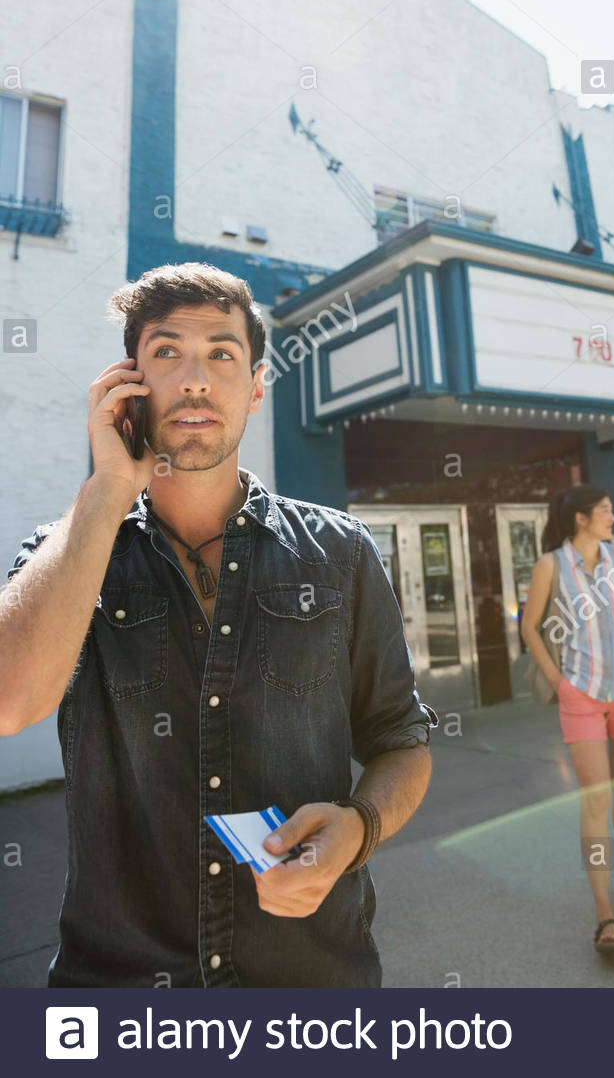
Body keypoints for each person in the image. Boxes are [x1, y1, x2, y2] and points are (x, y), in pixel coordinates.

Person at [0, 262, 437, 987]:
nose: (195, 379)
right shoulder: (68, 552)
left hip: (313, 985)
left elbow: (403, 741)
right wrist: (108, 491)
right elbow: (11, 700)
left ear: (257, 387)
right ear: (127, 386)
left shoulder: (341, 553)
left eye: (221, 354)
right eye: (167, 352)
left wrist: (358, 828)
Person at [521, 484, 614, 955]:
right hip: (581, 695)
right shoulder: (551, 564)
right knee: (596, 801)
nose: (612, 516)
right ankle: (604, 912)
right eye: (605, 510)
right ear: (582, 518)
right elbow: (529, 626)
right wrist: (560, 681)